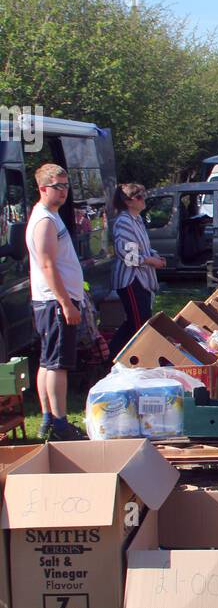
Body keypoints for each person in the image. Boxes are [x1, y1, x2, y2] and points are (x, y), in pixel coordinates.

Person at [25, 163, 86, 439]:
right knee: (57, 364)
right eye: (57, 187)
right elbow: (48, 265)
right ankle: (60, 423)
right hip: (53, 301)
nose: (63, 192)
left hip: (53, 300)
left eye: (65, 186)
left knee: (48, 361)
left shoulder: (50, 215)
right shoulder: (44, 220)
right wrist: (66, 303)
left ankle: (49, 418)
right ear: (42, 188)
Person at [109, 182, 167, 361]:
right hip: (130, 280)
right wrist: (151, 261)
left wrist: (156, 256)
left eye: (144, 196)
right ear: (128, 201)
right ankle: (124, 358)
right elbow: (129, 256)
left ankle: (114, 355)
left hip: (142, 279)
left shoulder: (138, 219)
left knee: (140, 320)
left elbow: (144, 248)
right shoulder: (124, 222)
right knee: (138, 323)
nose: (144, 200)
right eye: (139, 197)